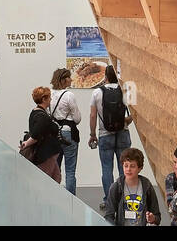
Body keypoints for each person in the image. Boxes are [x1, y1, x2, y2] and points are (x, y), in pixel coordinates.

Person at [89, 64, 132, 205]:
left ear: (105, 76)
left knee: (107, 169)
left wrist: (92, 134)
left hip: (104, 134)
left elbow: (93, 115)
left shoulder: (97, 92)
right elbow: (133, 115)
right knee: (125, 168)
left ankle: (109, 200)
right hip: (123, 133)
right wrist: (124, 122)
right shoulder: (126, 90)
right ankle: (124, 200)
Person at [103, 146, 160, 226]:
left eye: (132, 166)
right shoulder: (116, 187)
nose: (128, 169)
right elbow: (108, 216)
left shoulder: (147, 186)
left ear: (139, 168)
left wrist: (152, 218)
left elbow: (157, 217)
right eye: (126, 166)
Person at [50, 67, 82, 195]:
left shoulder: (49, 94)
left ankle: (54, 196)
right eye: (69, 77)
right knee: (70, 169)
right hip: (68, 133)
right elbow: (77, 118)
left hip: (54, 134)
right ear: (63, 80)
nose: (71, 79)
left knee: (55, 168)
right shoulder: (69, 95)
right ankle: (71, 200)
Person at [24, 86, 62, 181]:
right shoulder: (42, 117)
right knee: (47, 180)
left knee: (56, 178)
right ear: (44, 99)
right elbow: (36, 134)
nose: (51, 99)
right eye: (49, 97)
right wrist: (26, 144)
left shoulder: (36, 112)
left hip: (48, 153)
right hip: (46, 154)